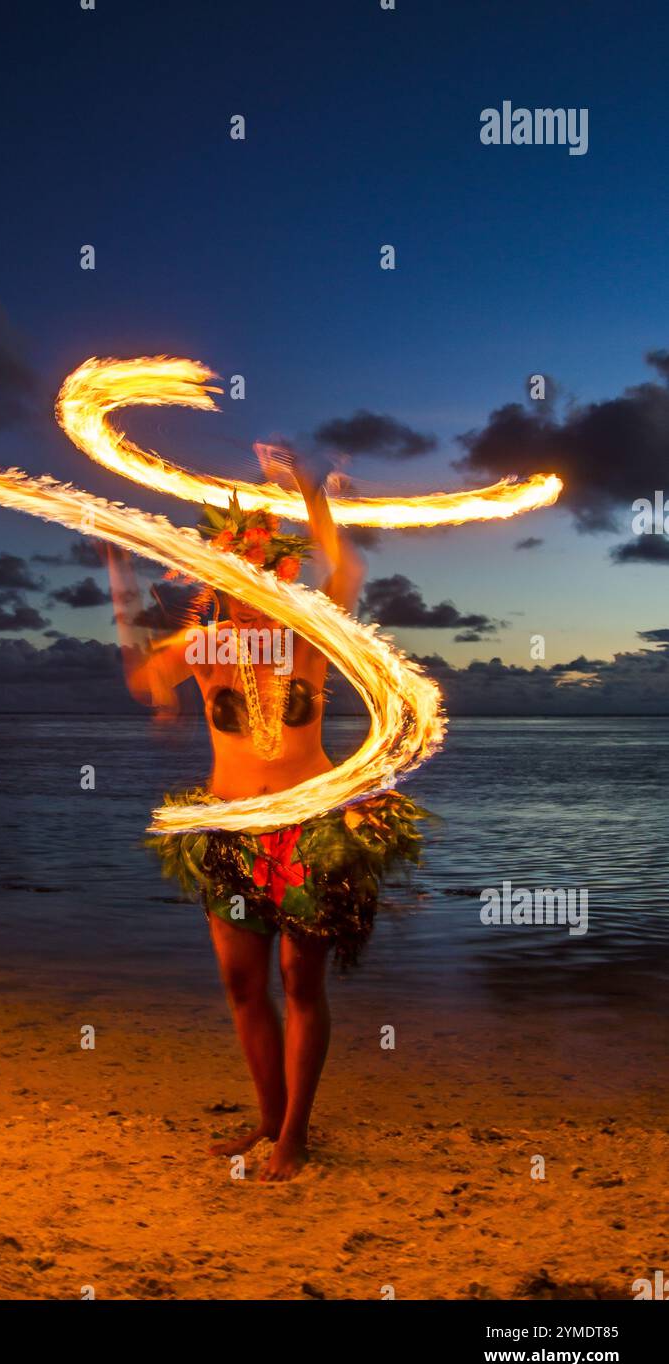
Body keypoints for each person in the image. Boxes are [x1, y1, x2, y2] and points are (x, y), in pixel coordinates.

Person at [108, 457, 423, 1180]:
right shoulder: (202, 645)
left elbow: (347, 576)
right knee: (245, 987)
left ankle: (296, 1135)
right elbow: (141, 680)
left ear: (281, 576)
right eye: (234, 574)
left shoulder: (308, 637)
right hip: (229, 833)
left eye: (265, 571)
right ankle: (267, 1119)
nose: (251, 587)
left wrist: (310, 494)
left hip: (311, 829)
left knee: (298, 980)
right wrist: (120, 574)